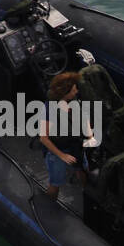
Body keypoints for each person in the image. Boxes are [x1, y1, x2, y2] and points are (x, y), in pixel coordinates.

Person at [38, 71, 91, 199]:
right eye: (73, 90)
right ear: (64, 93)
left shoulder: (73, 100)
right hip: (58, 150)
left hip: (75, 144)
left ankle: (88, 194)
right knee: (55, 183)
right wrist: (62, 155)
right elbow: (43, 139)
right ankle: (49, 207)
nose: (76, 91)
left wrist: (90, 135)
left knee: (83, 170)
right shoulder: (50, 110)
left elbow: (83, 116)